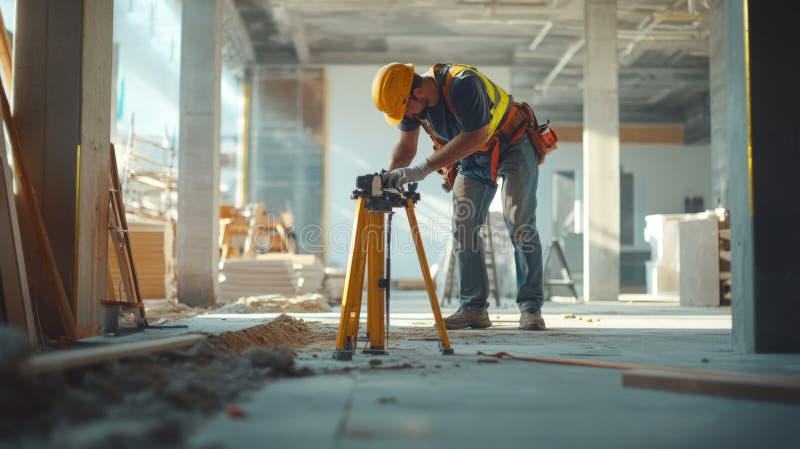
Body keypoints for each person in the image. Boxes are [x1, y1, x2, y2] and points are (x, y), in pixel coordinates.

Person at [371, 62, 551, 331]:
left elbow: (476, 135)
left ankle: (531, 307)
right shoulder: (411, 104)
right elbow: (405, 150)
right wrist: (386, 179)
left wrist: (419, 171)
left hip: (514, 143)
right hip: (474, 158)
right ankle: (474, 308)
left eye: (404, 108)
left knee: (520, 223)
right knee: (463, 228)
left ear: (417, 94)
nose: (405, 115)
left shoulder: (463, 84)